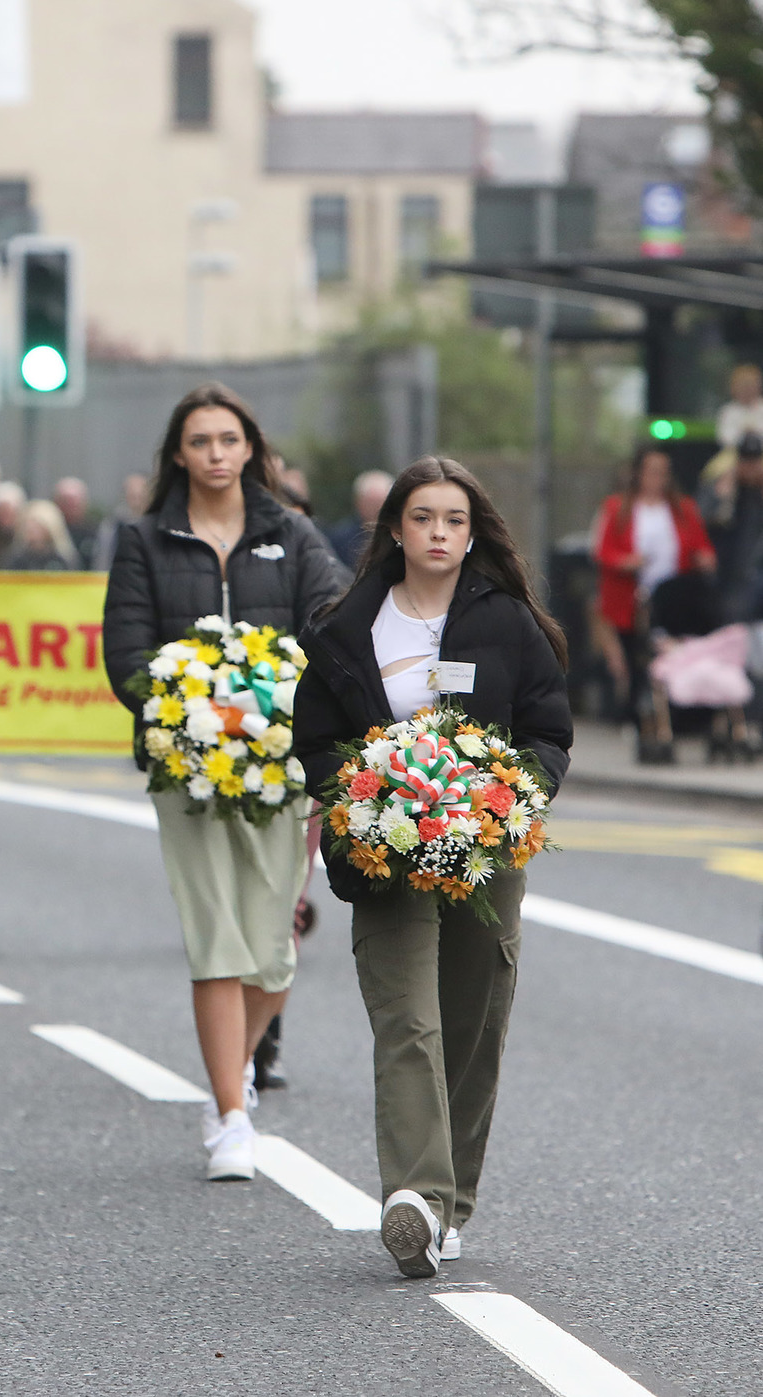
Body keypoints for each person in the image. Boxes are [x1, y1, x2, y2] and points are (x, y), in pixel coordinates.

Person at [292, 455, 572, 1279]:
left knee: (472, 1021)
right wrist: (356, 796)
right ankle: (415, 1195)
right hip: (384, 849)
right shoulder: (347, 626)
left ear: (473, 532)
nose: (439, 533)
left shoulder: (508, 621)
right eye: (422, 518)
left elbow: (548, 731)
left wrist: (508, 797)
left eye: (454, 520)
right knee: (406, 1017)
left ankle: (451, 1204)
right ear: (396, 529)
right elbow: (316, 739)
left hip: (484, 850)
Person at [103, 382, 346, 1182]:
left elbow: (334, 624)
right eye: (200, 440)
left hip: (281, 760)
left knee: (272, 952)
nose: (216, 453)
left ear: (251, 450)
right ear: (179, 453)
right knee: (215, 937)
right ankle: (231, 1115)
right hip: (189, 765)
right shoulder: (144, 540)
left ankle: (232, 1067)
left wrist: (279, 701)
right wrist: (190, 709)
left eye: (229, 440)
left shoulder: (293, 534)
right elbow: (126, 654)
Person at [592, 445, 716, 762]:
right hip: (632, 598)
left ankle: (678, 720)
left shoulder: (683, 508)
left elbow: (701, 546)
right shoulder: (617, 507)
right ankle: (642, 719)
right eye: (652, 471)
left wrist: (704, 559)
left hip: (673, 598)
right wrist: (627, 561)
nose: (658, 478)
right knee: (638, 660)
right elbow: (603, 551)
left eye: (663, 472)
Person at [701, 433, 763, 624]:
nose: (750, 467)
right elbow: (699, 518)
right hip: (727, 575)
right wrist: (721, 495)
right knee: (730, 622)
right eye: (746, 461)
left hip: (756, 571)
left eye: (754, 461)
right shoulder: (725, 485)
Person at [325, 470, 394, 571]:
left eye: (382, 502)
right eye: (372, 503)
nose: (378, 509)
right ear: (358, 503)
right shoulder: (341, 538)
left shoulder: (401, 534)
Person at [0, 499, 81, 570]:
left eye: (37, 526)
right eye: (28, 525)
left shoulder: (63, 559)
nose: (31, 529)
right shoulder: (15, 558)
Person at [52, 477, 98, 565]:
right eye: (66, 501)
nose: (71, 505)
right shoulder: (50, 534)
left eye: (75, 501)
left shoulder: (96, 532)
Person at [717, 363, 763, 447]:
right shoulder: (728, 411)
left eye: (750, 385)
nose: (746, 389)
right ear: (733, 387)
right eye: (743, 385)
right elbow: (724, 437)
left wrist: (754, 432)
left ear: (758, 386)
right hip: (734, 452)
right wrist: (743, 433)